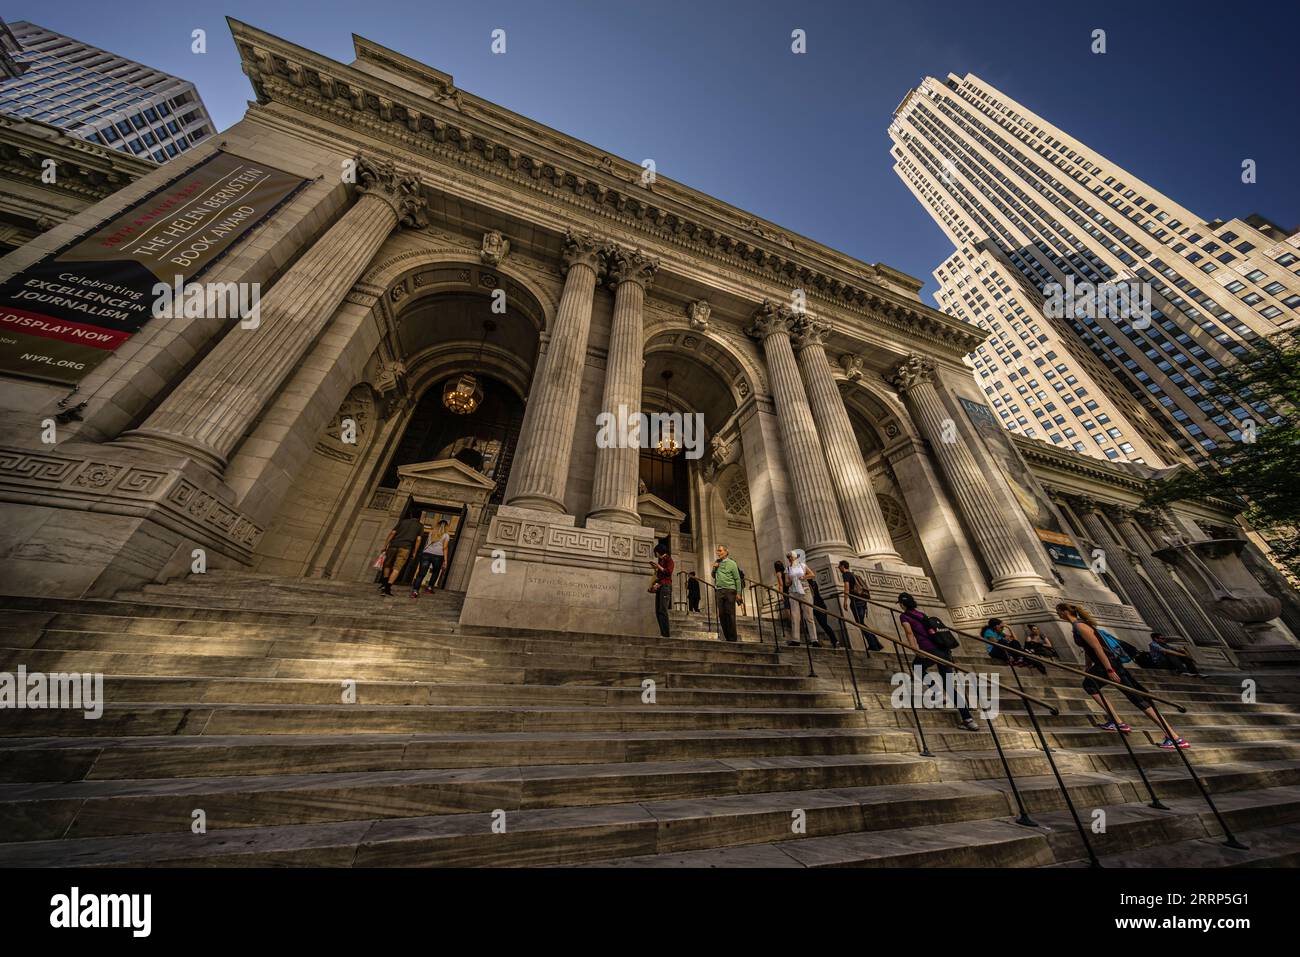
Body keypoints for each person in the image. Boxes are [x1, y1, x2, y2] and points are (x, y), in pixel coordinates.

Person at [1055, 602, 1189, 749]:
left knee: (1093, 686)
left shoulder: (1080, 626)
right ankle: (1168, 734)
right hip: (1108, 664)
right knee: (1132, 695)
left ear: (1064, 611)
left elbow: (1097, 648)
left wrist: (1109, 669)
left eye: (1058, 611)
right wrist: (1088, 665)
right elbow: (1089, 648)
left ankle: (1122, 723)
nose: (1058, 614)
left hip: (1108, 664)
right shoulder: (1079, 626)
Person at [898, 592, 977, 731]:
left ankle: (937, 692)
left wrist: (915, 650)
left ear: (902, 604)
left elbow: (909, 633)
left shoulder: (904, 616)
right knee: (949, 685)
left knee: (917, 667)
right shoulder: (922, 615)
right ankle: (968, 719)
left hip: (928, 650)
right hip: (943, 650)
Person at [838, 560, 883, 651]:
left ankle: (874, 645)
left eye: (839, 566)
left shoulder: (846, 575)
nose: (839, 568)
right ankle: (875, 643)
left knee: (860, 623)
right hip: (862, 601)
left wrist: (845, 601)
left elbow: (846, 588)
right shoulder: (852, 575)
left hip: (856, 602)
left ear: (843, 566)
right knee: (861, 623)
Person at [380, 511, 425, 597]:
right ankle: (387, 588)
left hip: (393, 545)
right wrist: (415, 552)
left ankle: (384, 584)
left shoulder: (403, 522)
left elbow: (392, 533)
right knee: (397, 568)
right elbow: (418, 540)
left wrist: (385, 545)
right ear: (419, 517)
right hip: (405, 548)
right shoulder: (420, 526)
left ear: (411, 515)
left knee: (387, 565)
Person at [981, 618, 1046, 674]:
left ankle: (1020, 658)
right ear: (995, 626)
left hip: (1004, 650)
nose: (1003, 628)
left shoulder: (999, 632)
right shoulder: (988, 632)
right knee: (1002, 641)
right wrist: (1007, 641)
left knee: (1014, 642)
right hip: (994, 651)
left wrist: (1010, 629)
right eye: (1001, 627)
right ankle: (1013, 658)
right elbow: (996, 643)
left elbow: (1015, 640)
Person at [784, 551, 820, 648]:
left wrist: (803, 577)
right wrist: (791, 580)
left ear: (795, 557)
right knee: (795, 616)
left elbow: (812, 574)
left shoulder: (802, 565)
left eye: (791, 557)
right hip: (793, 592)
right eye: (788, 557)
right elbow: (786, 583)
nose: (790, 559)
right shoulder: (787, 568)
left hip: (805, 590)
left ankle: (814, 639)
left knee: (809, 615)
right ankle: (796, 639)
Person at [410, 520, 450, 597]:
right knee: (435, 572)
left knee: (421, 573)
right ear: (446, 527)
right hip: (438, 555)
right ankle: (429, 588)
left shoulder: (431, 533)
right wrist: (445, 559)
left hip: (426, 554)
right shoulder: (446, 535)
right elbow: (445, 548)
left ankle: (415, 591)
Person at [711, 545, 742, 642]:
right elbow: (713, 575)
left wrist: (738, 593)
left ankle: (733, 638)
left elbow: (737, 579)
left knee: (730, 614)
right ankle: (728, 637)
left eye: (720, 551)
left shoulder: (732, 563)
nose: (718, 553)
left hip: (730, 591)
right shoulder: (717, 562)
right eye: (717, 551)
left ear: (725, 552)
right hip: (719, 591)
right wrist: (714, 568)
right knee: (721, 615)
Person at [806, 576, 840, 647]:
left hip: (814, 605)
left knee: (809, 621)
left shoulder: (806, 585)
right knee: (824, 624)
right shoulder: (814, 583)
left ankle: (813, 639)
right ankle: (834, 641)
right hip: (820, 605)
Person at [649, 544, 674, 638]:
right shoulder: (661, 560)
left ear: (659, 551)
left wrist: (658, 566)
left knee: (663, 610)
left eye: (656, 552)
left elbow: (668, 572)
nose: (655, 553)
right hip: (661, 587)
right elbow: (660, 576)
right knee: (658, 611)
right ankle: (663, 633)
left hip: (666, 587)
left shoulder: (669, 559)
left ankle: (666, 634)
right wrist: (656, 584)